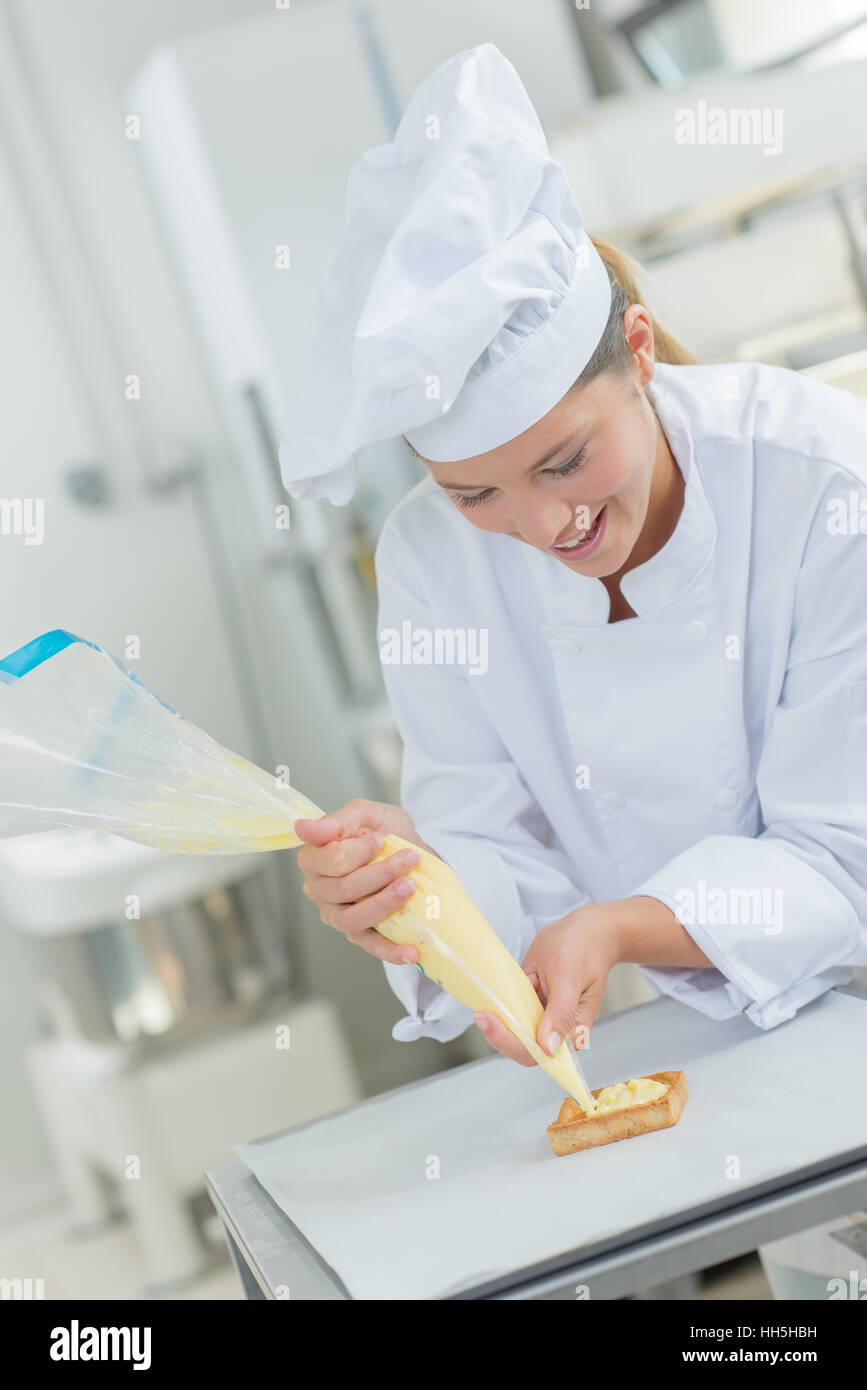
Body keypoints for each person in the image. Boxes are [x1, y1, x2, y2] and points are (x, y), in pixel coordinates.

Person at [280, 44, 867, 1297]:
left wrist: (612, 927)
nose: (540, 525)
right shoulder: (435, 561)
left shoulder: (827, 485)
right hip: (681, 1053)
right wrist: (418, 891)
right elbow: (493, 840)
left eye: (564, 461)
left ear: (641, 353)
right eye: (474, 489)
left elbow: (839, 858)